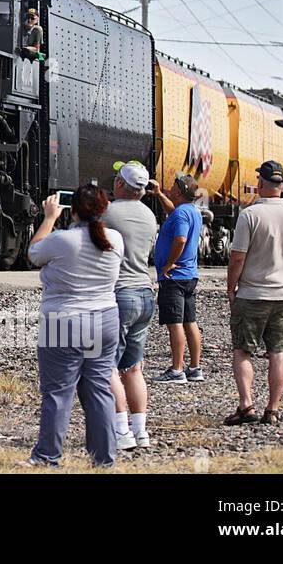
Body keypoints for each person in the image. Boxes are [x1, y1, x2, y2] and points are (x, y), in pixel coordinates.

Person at [25, 185, 123, 467]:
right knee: (99, 390)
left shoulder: (62, 239)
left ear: (74, 210)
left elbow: (33, 253)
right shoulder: (115, 239)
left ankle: (47, 457)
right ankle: (104, 459)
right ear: (104, 210)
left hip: (63, 320)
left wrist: (48, 218)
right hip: (104, 319)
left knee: (57, 392)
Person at [224, 161, 283, 426]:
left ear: (261, 183)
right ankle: (272, 409)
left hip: (252, 293)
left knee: (243, 351)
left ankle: (246, 405)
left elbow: (237, 257)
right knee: (278, 352)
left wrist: (231, 288)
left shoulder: (249, 215)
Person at [103, 160, 159, 450]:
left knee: (107, 366)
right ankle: (141, 432)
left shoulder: (109, 212)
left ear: (121, 184)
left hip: (118, 293)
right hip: (144, 293)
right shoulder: (150, 216)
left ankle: (121, 431)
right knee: (133, 369)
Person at [146, 173, 205, 383]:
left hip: (174, 277)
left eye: (172, 186)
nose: (170, 187)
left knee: (175, 323)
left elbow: (180, 239)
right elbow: (173, 214)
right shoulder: (191, 211)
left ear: (179, 191)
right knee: (190, 321)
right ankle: (195, 367)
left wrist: (168, 263)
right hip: (189, 275)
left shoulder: (181, 214)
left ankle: (177, 369)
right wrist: (160, 194)